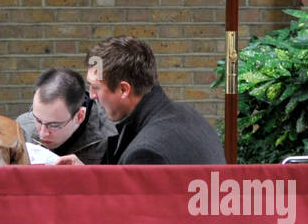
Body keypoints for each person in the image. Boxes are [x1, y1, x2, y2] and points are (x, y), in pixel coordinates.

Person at [56, 35, 222, 166]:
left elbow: (131, 209)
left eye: (96, 87)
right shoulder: (188, 115)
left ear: (123, 90)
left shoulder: (145, 154)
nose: (91, 95)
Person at [16, 67, 115, 165]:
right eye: (37, 120)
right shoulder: (21, 130)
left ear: (79, 116)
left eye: (54, 125)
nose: (43, 133)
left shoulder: (111, 138)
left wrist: (87, 174)